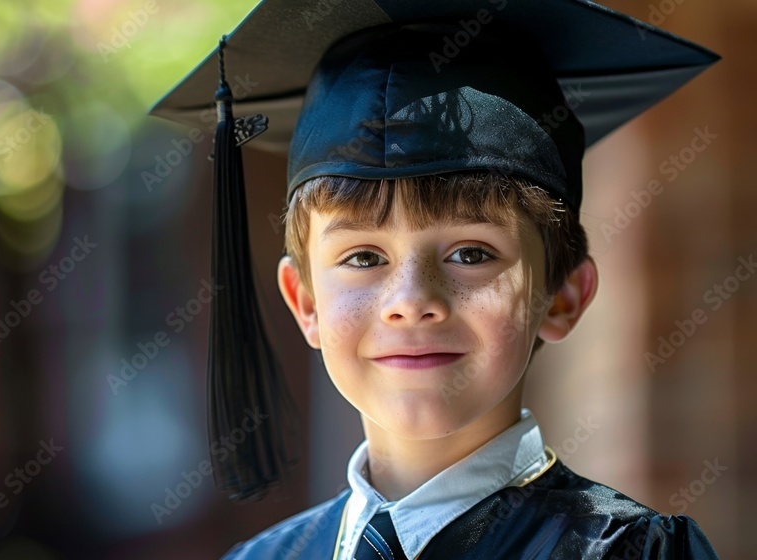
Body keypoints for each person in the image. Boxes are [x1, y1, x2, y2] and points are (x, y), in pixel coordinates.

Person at [150, 0, 721, 558]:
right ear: (305, 302)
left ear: (562, 295)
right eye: (364, 258)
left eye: (471, 253)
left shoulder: (626, 552)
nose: (412, 302)